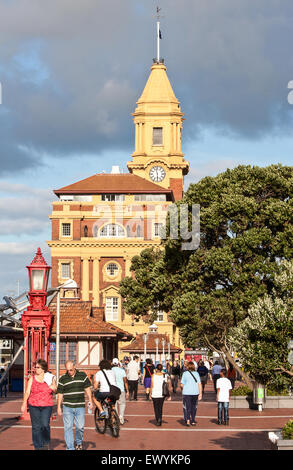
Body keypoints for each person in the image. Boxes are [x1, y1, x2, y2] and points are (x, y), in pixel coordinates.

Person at [21, 359, 57, 450]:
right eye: (35, 367)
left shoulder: (50, 377)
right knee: (36, 427)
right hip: (34, 405)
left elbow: (56, 390)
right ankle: (38, 447)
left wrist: (53, 388)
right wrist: (24, 403)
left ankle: (46, 442)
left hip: (46, 405)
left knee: (45, 425)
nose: (35, 369)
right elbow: (27, 392)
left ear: (43, 369)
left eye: (37, 367)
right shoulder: (32, 378)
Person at [57, 360, 93, 450]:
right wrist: (58, 407)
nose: (69, 372)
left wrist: (90, 401)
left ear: (74, 367)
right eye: (67, 370)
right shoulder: (62, 378)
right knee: (68, 427)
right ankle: (70, 447)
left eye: (71, 370)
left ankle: (79, 442)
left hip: (79, 406)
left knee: (80, 427)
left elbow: (87, 388)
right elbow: (60, 394)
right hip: (67, 407)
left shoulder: (82, 375)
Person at [180, 361, 202, 426]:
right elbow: (199, 384)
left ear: (187, 367)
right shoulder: (196, 374)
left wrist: (183, 389)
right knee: (194, 407)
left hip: (186, 392)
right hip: (195, 392)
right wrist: (200, 393)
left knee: (187, 407)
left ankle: (187, 420)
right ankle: (193, 420)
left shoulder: (185, 374)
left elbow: (181, 384)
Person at [112, 358, 129, 424]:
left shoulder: (110, 371)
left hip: (113, 390)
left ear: (112, 363)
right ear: (118, 363)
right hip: (121, 390)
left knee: (114, 404)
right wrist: (127, 391)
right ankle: (121, 416)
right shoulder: (122, 371)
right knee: (122, 404)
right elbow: (125, 381)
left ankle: (115, 417)